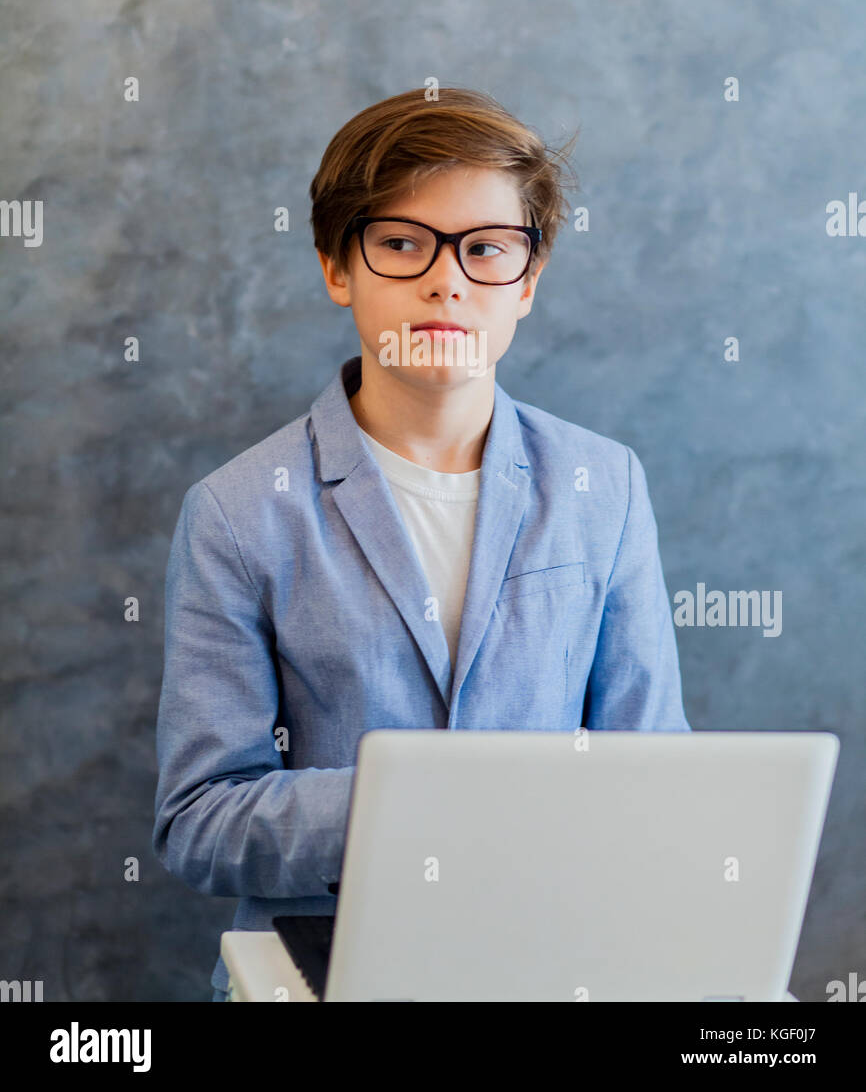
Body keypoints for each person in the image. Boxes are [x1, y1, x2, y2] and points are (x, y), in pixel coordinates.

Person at [152, 86, 690, 1001]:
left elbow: (655, 770)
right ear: (337, 266)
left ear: (526, 280)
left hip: (557, 966)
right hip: (320, 975)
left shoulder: (606, 485)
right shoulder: (238, 512)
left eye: (485, 249)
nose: (446, 280)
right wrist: (418, 807)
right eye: (402, 243)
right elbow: (200, 820)